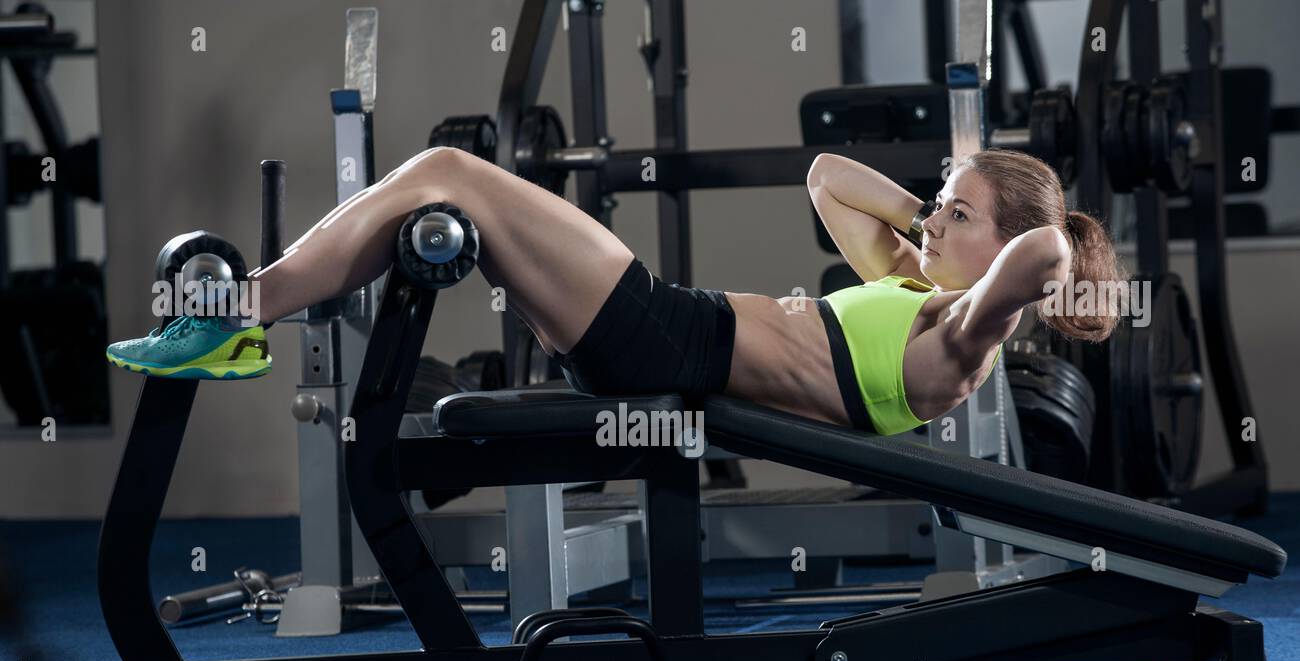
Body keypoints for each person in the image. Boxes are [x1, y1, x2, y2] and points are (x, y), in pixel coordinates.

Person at [105, 146, 1122, 435]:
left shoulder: (961, 338)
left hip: (666, 335)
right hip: (657, 337)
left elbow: (1034, 265)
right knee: (436, 181)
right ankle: (243, 309)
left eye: (957, 214)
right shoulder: (907, 284)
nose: (933, 224)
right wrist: (928, 210)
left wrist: (1035, 249)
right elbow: (825, 176)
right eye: (939, 208)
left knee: (451, 171)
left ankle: (240, 313)